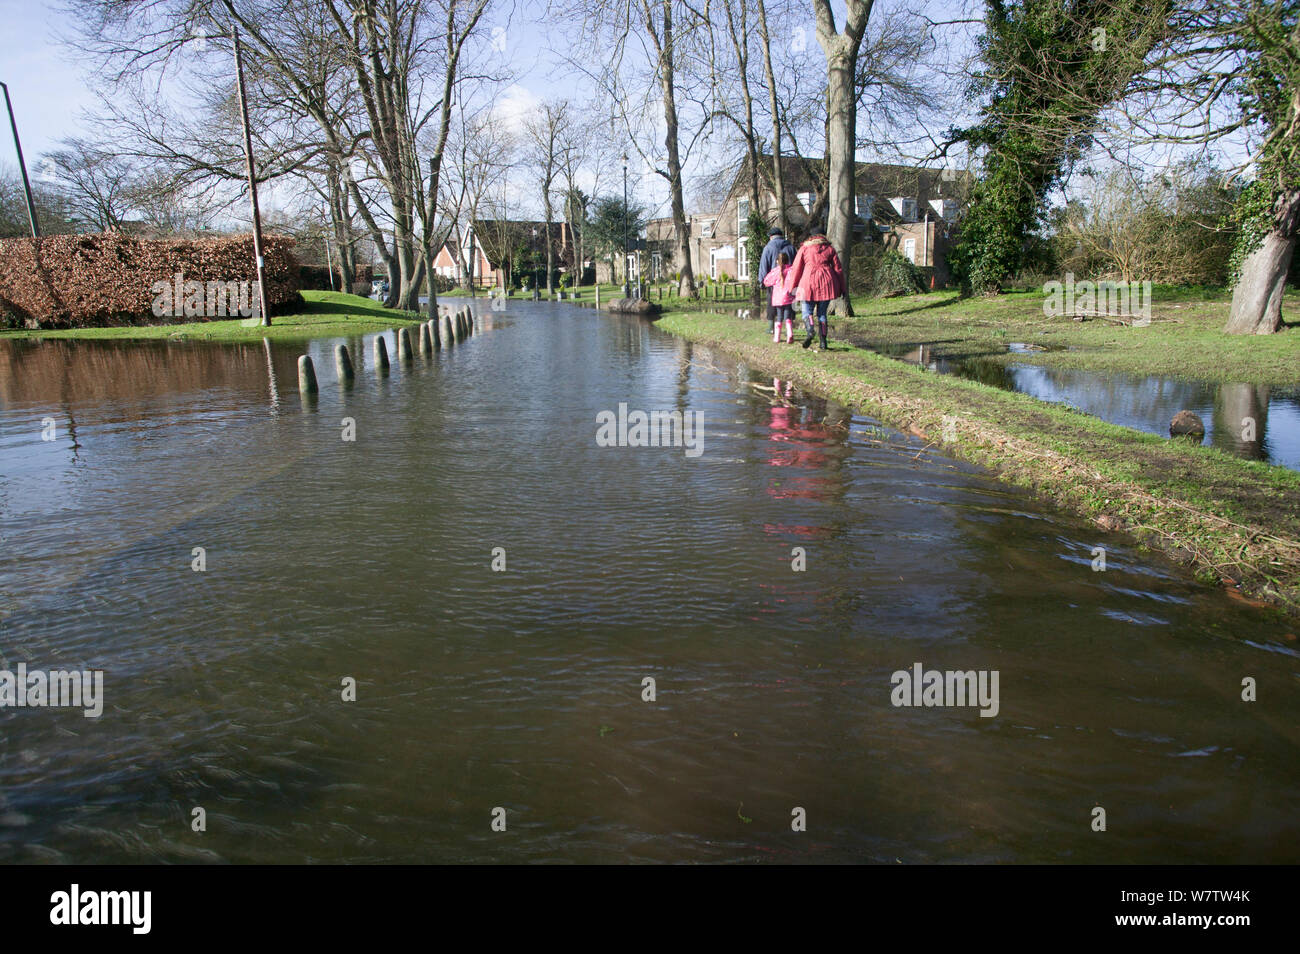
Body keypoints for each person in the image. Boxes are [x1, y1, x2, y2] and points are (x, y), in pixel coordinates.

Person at [784, 227, 843, 352]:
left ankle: (810, 331)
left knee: (807, 311)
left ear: (811, 237)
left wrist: (792, 287)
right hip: (827, 282)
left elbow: (796, 269)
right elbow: (838, 270)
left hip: (808, 282)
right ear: (823, 236)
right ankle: (823, 342)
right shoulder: (830, 249)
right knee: (822, 314)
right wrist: (842, 288)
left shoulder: (805, 248)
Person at [756, 227, 796, 334]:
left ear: (771, 237)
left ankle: (771, 327)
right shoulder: (791, 247)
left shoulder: (768, 248)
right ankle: (789, 328)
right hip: (789, 282)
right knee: (789, 304)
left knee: (772, 303)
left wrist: (762, 281)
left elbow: (763, 266)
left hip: (774, 282)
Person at [762, 250, 796, 343]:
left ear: (777, 261)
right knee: (787, 316)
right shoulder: (792, 270)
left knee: (779, 316)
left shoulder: (775, 271)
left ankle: (777, 337)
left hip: (778, 299)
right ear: (788, 260)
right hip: (789, 297)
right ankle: (790, 334)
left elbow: (766, 281)